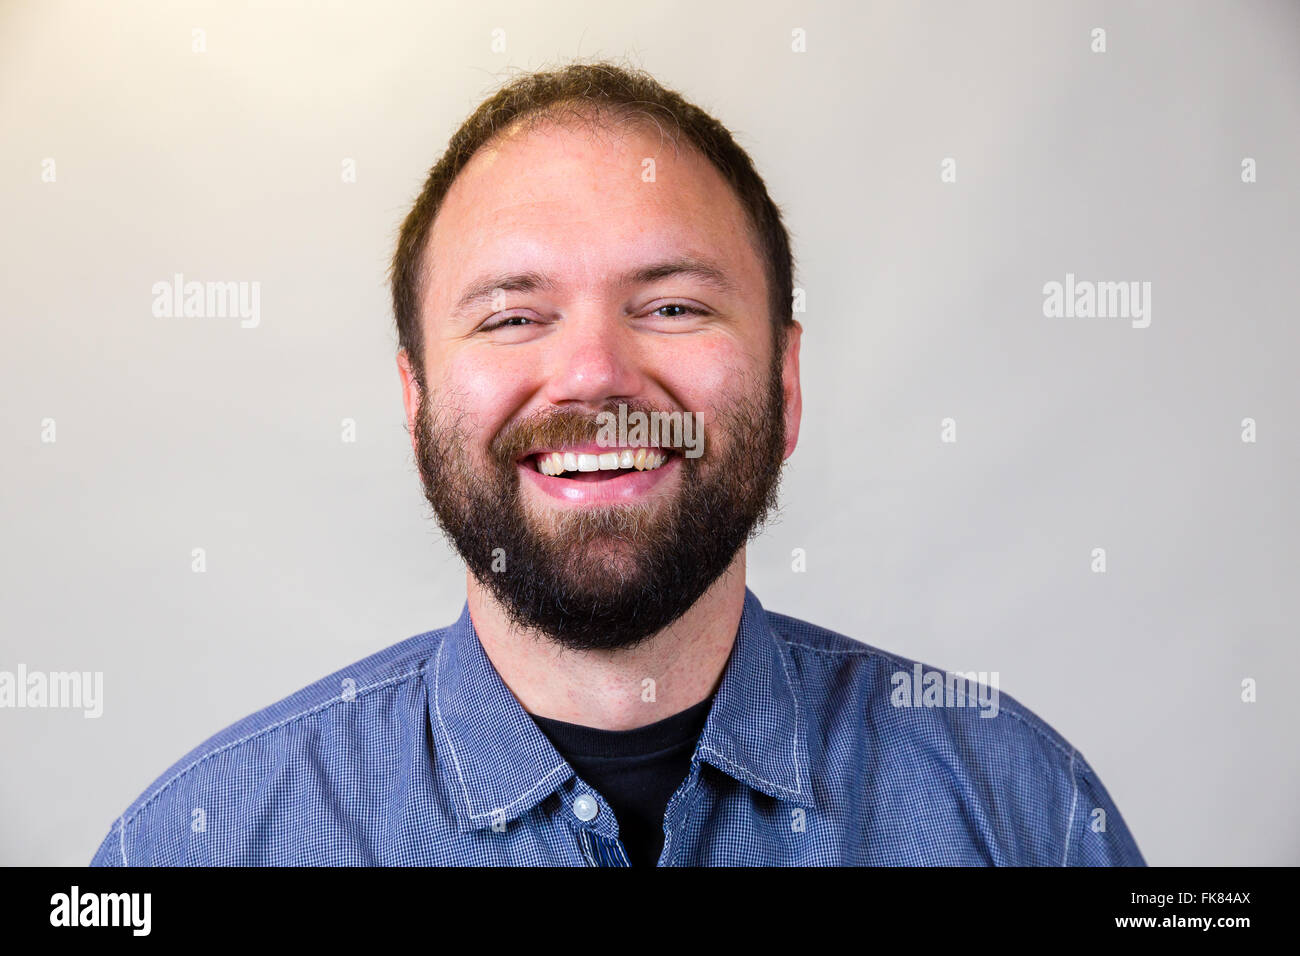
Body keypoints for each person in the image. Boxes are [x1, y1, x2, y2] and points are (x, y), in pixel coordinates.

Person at [92, 61, 1144, 866]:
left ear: (784, 380)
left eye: (674, 307)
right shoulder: (198, 846)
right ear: (414, 399)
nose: (593, 375)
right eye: (513, 315)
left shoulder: (1023, 813)